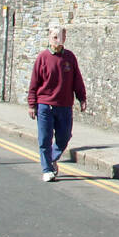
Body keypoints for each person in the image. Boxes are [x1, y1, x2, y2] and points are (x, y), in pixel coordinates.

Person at [26, 27, 87, 183]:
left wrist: (82, 98)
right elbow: (34, 82)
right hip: (45, 105)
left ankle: (52, 158)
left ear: (65, 38)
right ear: (49, 38)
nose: (57, 40)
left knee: (64, 137)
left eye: (60, 37)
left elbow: (77, 79)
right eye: (54, 37)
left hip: (64, 105)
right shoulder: (42, 58)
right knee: (45, 139)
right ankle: (47, 169)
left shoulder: (70, 57)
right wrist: (32, 104)